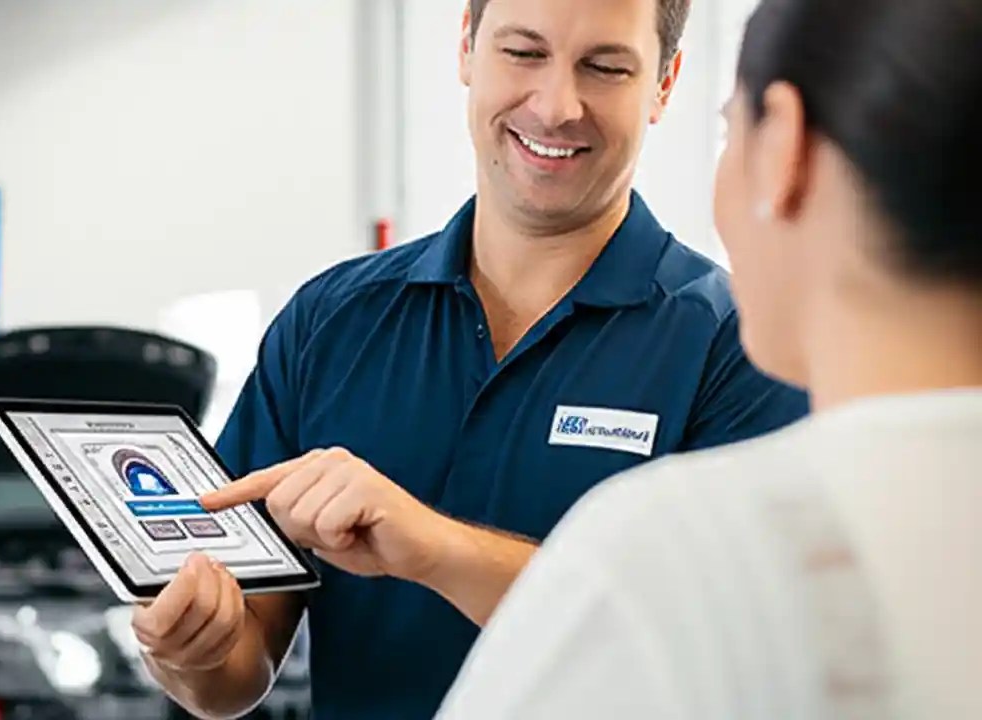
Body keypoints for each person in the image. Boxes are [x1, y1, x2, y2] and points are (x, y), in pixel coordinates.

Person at [127, 0, 809, 717]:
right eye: (523, 53)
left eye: (604, 68)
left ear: (664, 85)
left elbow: (728, 651)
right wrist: (191, 653)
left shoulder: (741, 345)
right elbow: (239, 665)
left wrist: (434, 549)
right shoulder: (330, 322)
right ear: (466, 48)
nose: (555, 106)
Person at [434, 0, 982, 717]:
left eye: (731, 128)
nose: (557, 104)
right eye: (524, 54)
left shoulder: (672, 554)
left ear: (781, 146)